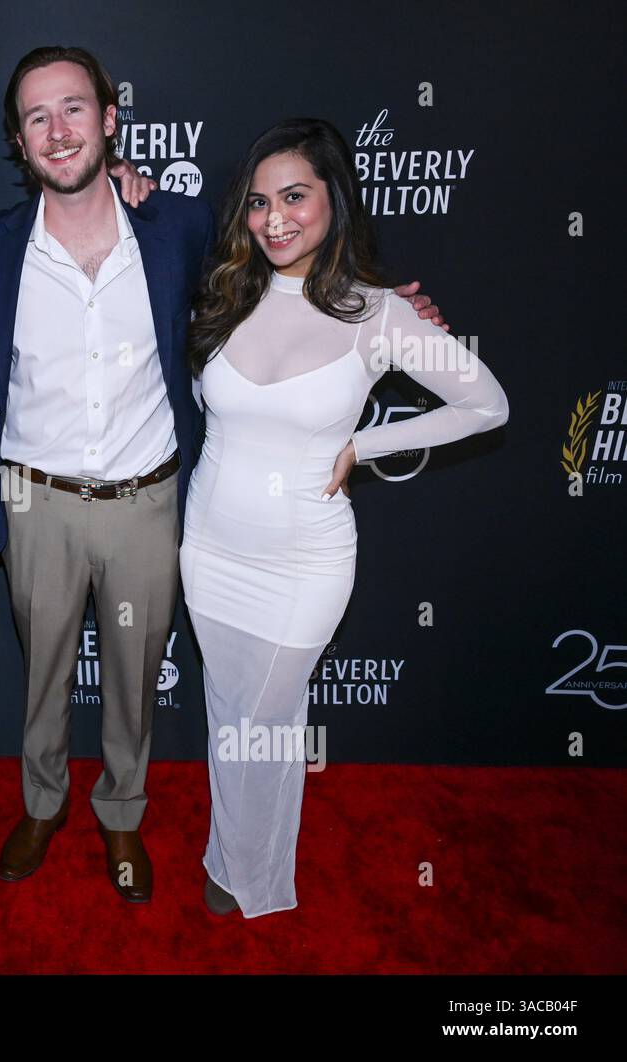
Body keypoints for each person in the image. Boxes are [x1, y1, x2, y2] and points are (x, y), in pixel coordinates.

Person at [181, 118, 509, 918]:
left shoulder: (380, 314)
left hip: (303, 563)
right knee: (234, 713)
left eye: (295, 196)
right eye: (259, 202)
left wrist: (366, 442)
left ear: (334, 200)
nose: (275, 219)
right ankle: (241, 857)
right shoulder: (228, 291)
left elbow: (486, 404)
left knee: (257, 722)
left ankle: (242, 868)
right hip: (211, 551)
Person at [0, 47, 211, 903]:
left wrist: (377, 307)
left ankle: (122, 815)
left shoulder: (175, 225)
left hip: (147, 501)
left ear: (110, 119)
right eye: (38, 117)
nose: (58, 129)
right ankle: (42, 803)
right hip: (36, 504)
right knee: (39, 675)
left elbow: (271, 290)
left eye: (74, 108)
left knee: (135, 679)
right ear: (19, 140)